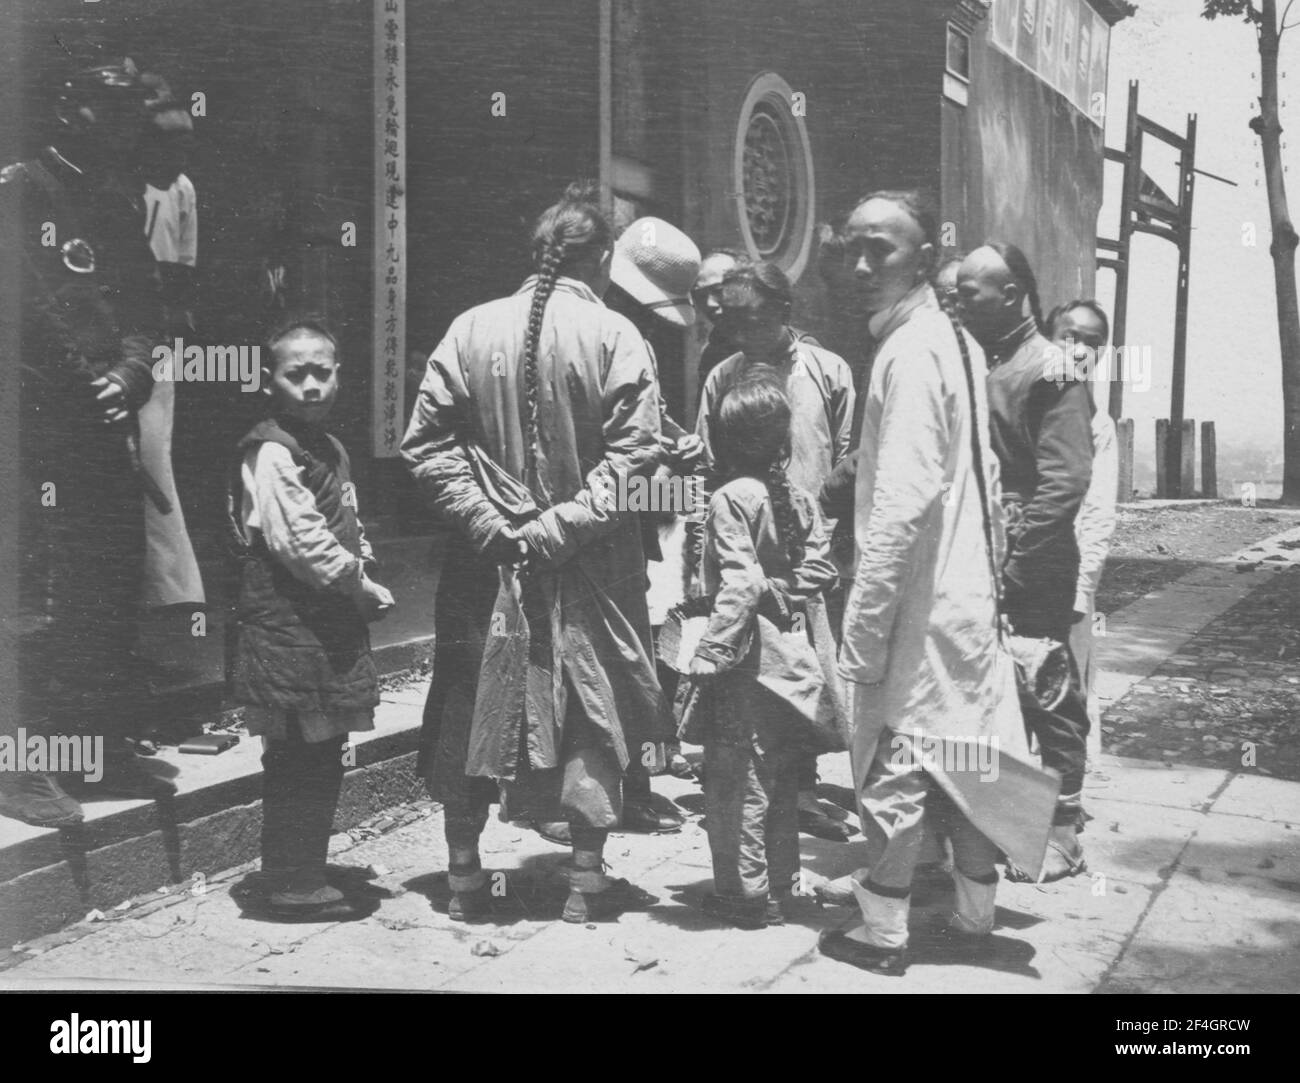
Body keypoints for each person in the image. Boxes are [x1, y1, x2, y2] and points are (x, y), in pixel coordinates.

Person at [402, 182, 668, 924]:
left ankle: (462, 880)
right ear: (605, 256)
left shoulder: (467, 328)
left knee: (470, 703)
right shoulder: (618, 336)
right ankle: (585, 883)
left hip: (487, 564)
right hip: (590, 566)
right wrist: (560, 527)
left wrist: (492, 523)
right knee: (590, 708)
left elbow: (425, 447)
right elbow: (636, 458)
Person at [820, 190, 1053, 976]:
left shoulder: (912, 349)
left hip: (920, 602)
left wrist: (864, 628)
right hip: (960, 596)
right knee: (969, 754)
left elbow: (903, 502)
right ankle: (975, 914)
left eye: (878, 249)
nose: (858, 264)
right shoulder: (949, 338)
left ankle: (883, 932)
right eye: (849, 246)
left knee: (893, 758)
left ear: (923, 258)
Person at [1, 58, 175, 828]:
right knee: (34, 591)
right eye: (116, 110)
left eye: (136, 111)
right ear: (74, 111)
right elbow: (24, 314)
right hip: (32, 430)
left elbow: (144, 309)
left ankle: (95, 748)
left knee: (105, 586)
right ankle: (22, 765)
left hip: (104, 426)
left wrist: (131, 375)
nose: (131, 125)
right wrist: (81, 386)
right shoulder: (21, 190)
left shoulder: (118, 199)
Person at [227, 316, 393, 919]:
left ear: (339, 374)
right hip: (287, 632)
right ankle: (291, 882)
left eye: (322, 372)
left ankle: (302, 869)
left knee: (321, 753)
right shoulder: (272, 451)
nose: (312, 385)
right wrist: (358, 585)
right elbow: (300, 541)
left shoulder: (329, 447)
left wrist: (364, 562)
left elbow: (346, 520)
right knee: (298, 755)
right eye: (296, 375)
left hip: (319, 633)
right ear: (272, 380)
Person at [695, 260, 857, 843]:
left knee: (810, 670)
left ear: (784, 312)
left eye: (753, 315)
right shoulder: (723, 377)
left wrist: (826, 544)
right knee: (758, 682)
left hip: (813, 550)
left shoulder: (828, 371)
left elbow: (846, 457)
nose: (741, 328)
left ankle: (800, 793)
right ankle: (767, 796)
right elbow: (706, 467)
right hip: (747, 546)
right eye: (732, 317)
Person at [957, 244, 1094, 881]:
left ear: (1012, 293)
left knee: (1047, 690)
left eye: (971, 290)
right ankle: (1001, 821)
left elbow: (1064, 482)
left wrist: (1015, 565)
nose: (958, 300)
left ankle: (1062, 832)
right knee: (989, 692)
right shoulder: (977, 362)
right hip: (977, 553)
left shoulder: (1054, 368)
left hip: (1031, 558)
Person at [687, 378, 840, 929]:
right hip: (794, 663)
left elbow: (741, 583)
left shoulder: (731, 498)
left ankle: (744, 896)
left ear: (724, 441)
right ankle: (779, 890)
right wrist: (791, 588)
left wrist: (710, 650)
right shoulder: (798, 496)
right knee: (779, 784)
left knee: (736, 782)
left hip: (747, 666)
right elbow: (821, 570)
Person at [607, 215, 706, 796]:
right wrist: (675, 485)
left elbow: (651, 431)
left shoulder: (636, 340)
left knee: (642, 659)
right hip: (606, 516)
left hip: (635, 523)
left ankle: (639, 782)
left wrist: (676, 445)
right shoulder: (607, 338)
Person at [139, 82, 205, 611]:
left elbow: (183, 268)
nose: (176, 152)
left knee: (155, 456)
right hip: (115, 333)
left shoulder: (183, 189)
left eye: (185, 140)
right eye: (165, 139)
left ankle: (171, 590)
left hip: (157, 339)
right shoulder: (117, 184)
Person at [1047, 300, 1119, 764]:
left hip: (1066, 577)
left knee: (1065, 690)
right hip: (1007, 576)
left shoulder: (1098, 425)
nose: (1080, 351)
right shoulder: (1016, 403)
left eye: (1093, 343)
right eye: (1068, 337)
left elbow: (1098, 514)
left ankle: (1062, 808)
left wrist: (1081, 587)